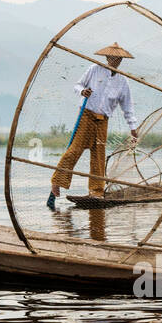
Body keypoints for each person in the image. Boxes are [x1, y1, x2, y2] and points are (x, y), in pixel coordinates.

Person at [47, 43, 140, 209]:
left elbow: (127, 106)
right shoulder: (94, 69)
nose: (114, 61)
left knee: (98, 156)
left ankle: (96, 191)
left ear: (120, 60)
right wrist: (83, 92)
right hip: (86, 116)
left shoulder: (122, 81)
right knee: (74, 150)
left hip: (102, 120)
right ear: (106, 58)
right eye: (111, 58)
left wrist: (133, 127)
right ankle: (56, 183)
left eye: (118, 59)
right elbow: (77, 85)